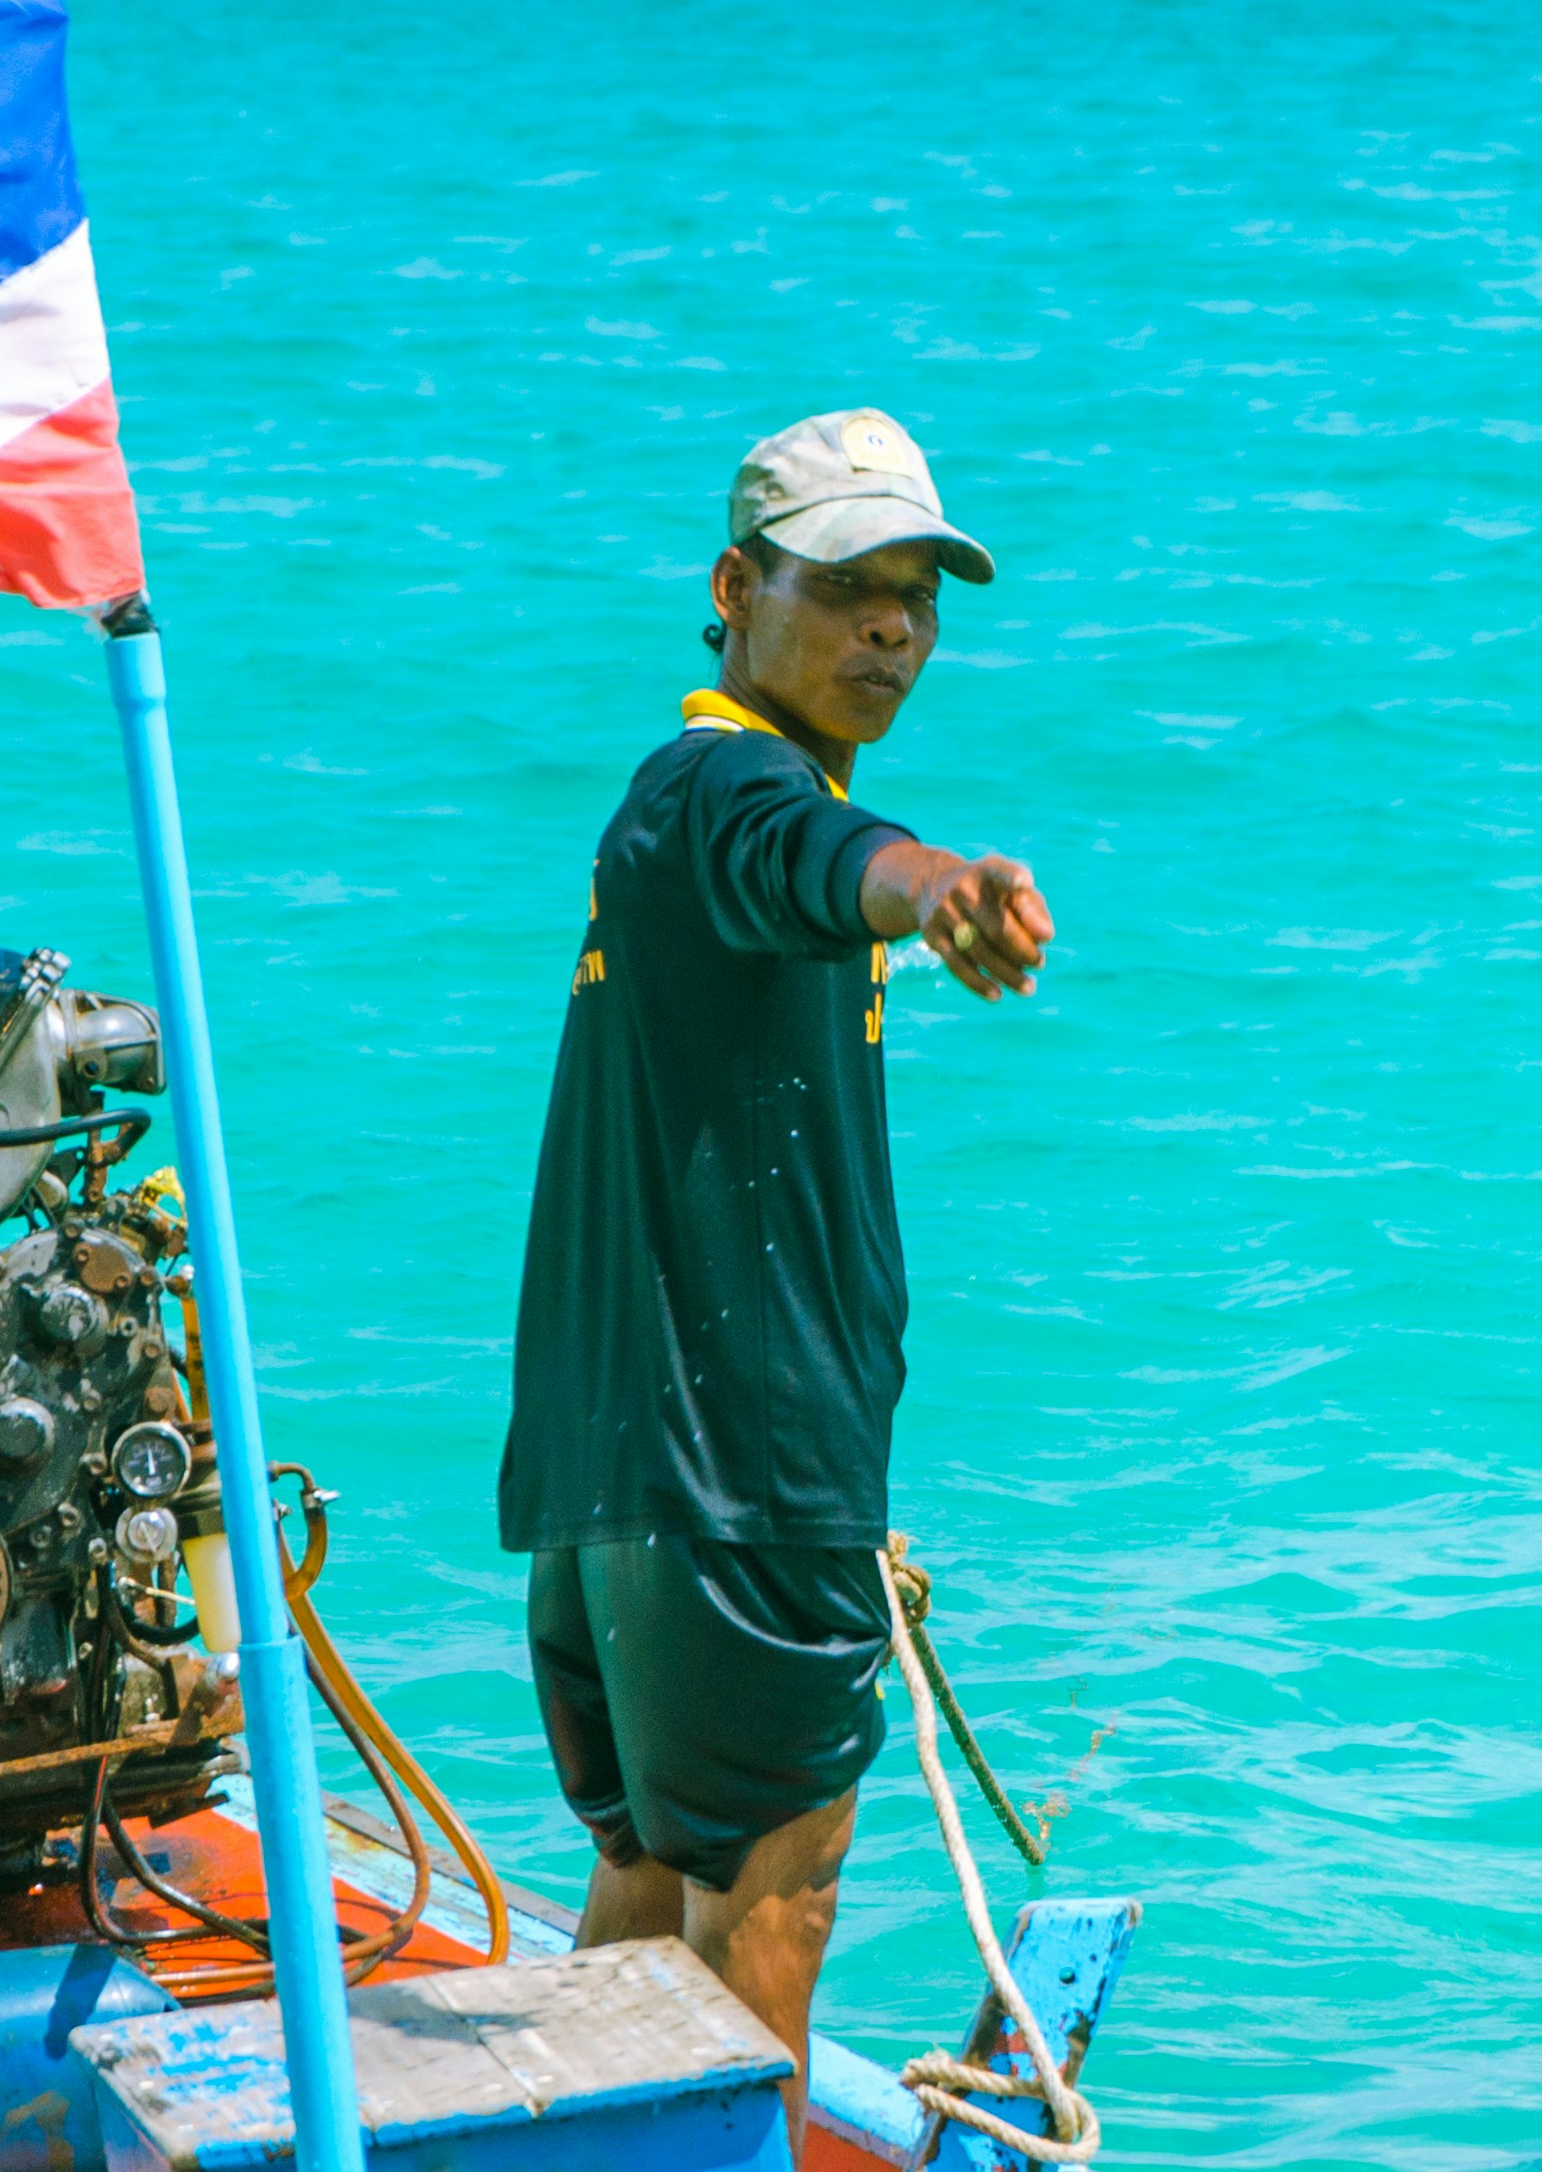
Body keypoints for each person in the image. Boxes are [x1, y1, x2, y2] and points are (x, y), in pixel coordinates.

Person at [498, 407, 1057, 2109]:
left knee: (656, 1883)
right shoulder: (734, 789)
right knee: (775, 1895)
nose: (894, 629)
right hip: (739, 1478)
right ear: (737, 591)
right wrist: (938, 881)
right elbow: (830, 861)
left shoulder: (670, 811)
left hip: (611, 1483)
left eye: (919, 597)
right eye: (849, 590)